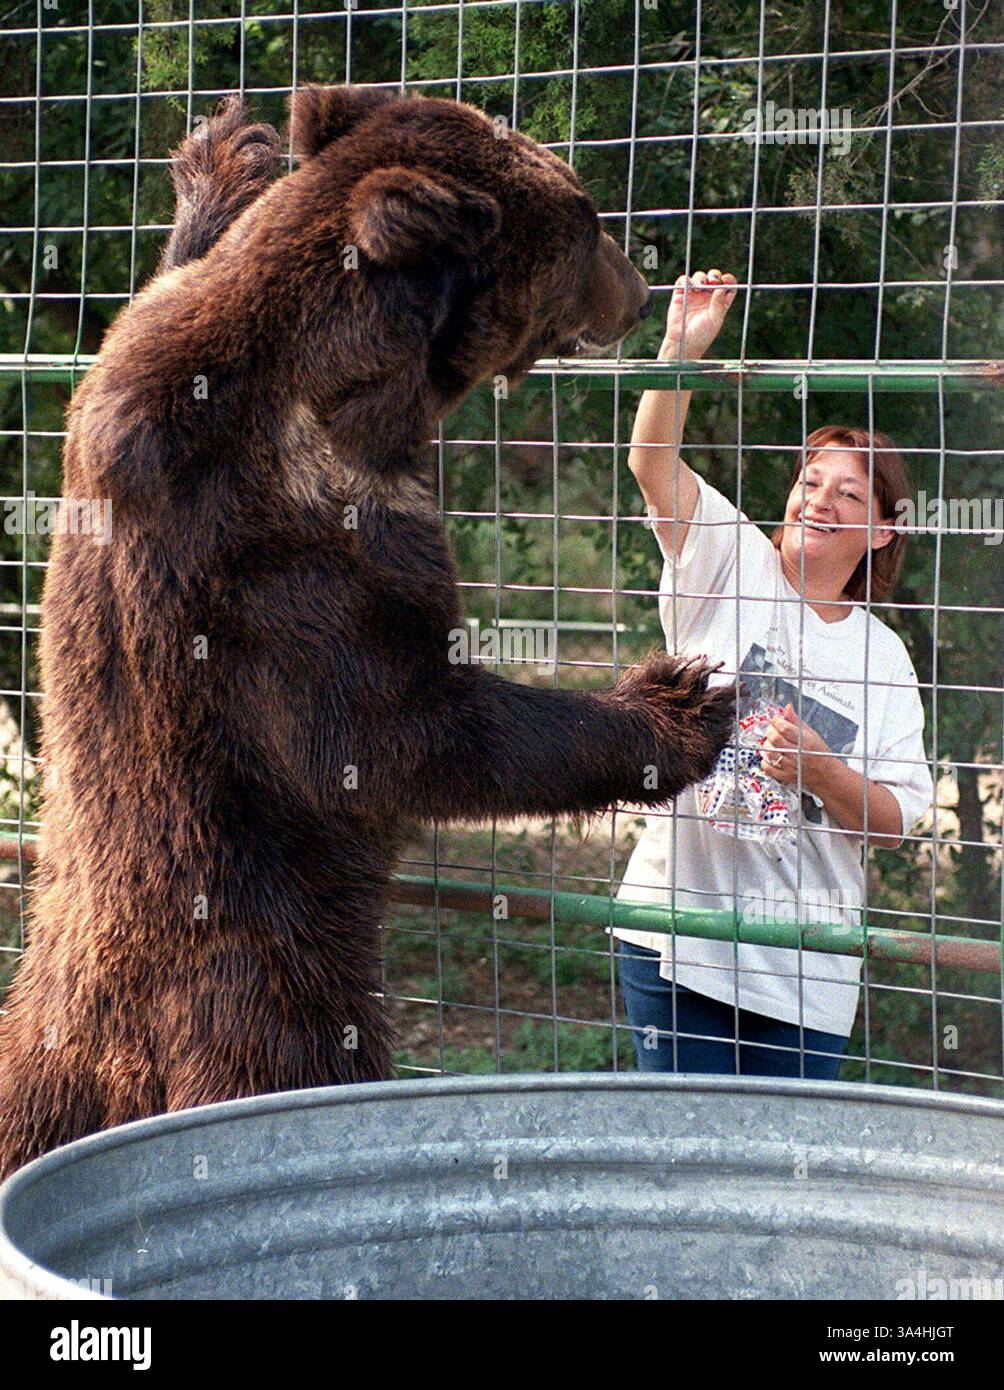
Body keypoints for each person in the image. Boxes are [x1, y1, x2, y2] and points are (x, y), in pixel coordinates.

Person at [614, 269, 934, 1079]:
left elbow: (896, 820)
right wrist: (680, 349)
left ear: (884, 533)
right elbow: (652, 458)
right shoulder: (731, 558)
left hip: (806, 976)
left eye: (848, 493)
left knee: (772, 1193)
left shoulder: (884, 659)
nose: (817, 500)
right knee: (682, 1168)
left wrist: (823, 774)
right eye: (809, 480)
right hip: (676, 942)